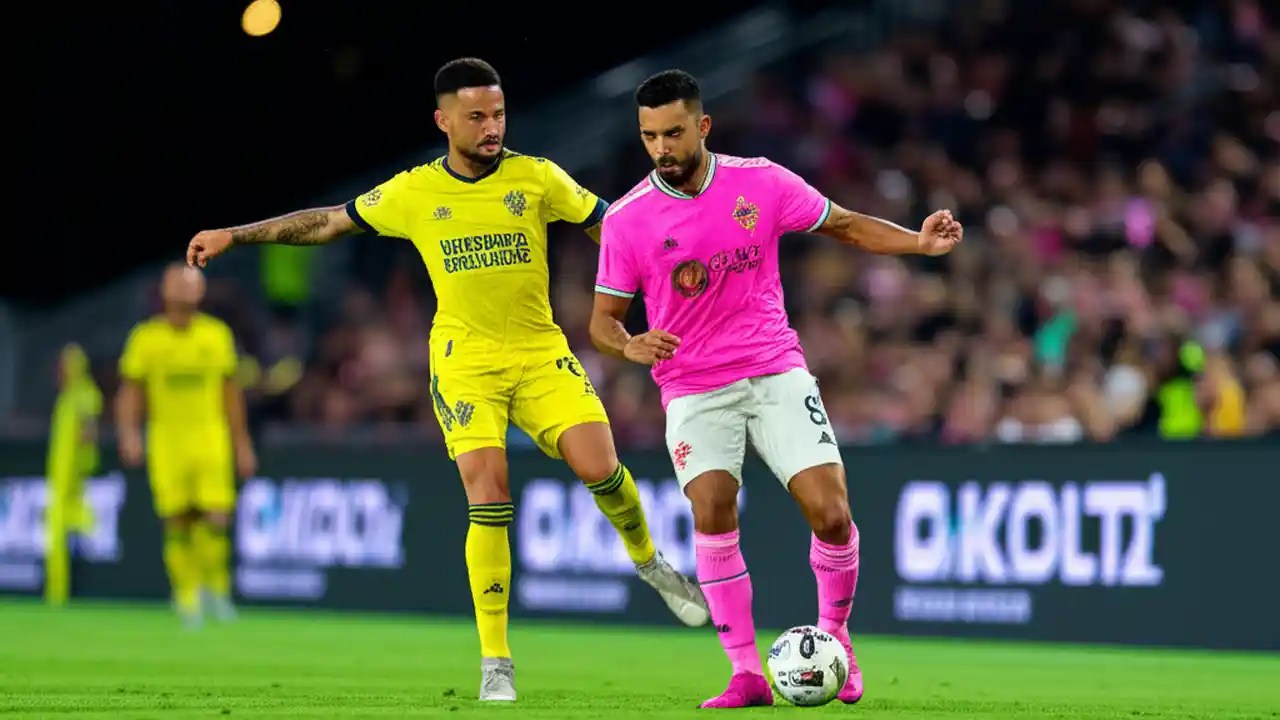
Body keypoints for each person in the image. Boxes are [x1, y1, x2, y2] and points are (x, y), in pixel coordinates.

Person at [184, 57, 709, 702]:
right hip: (465, 365)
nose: (492, 128)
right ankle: (496, 661)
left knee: (602, 469)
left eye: (499, 114)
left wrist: (677, 264)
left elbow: (616, 228)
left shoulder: (537, 176)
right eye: (477, 117)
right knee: (488, 492)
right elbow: (329, 221)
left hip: (541, 353)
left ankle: (649, 561)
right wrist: (235, 235)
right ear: (444, 121)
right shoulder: (414, 192)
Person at [590, 70, 963, 709]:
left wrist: (918, 244)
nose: (662, 148)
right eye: (650, 136)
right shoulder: (627, 219)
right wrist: (627, 345)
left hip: (773, 369)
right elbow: (603, 320)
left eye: (673, 133)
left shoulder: (760, 182)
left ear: (703, 126)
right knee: (712, 507)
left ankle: (836, 639)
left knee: (831, 512)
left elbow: (845, 225)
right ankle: (745, 673)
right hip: (693, 386)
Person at [116, 264, 257, 628]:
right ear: (163, 291)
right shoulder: (146, 338)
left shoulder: (216, 335)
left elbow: (230, 394)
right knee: (177, 518)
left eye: (191, 284)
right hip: (167, 438)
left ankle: (217, 590)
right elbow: (131, 392)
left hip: (210, 436)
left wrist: (242, 443)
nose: (184, 290)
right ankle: (186, 594)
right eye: (177, 283)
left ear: (201, 292)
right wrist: (129, 434)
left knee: (216, 515)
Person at [44, 343, 102, 606]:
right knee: (59, 529)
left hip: (73, 475)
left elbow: (88, 434)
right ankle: (57, 590)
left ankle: (60, 591)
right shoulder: (67, 397)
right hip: (60, 472)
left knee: (62, 529)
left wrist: (83, 466)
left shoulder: (84, 395)